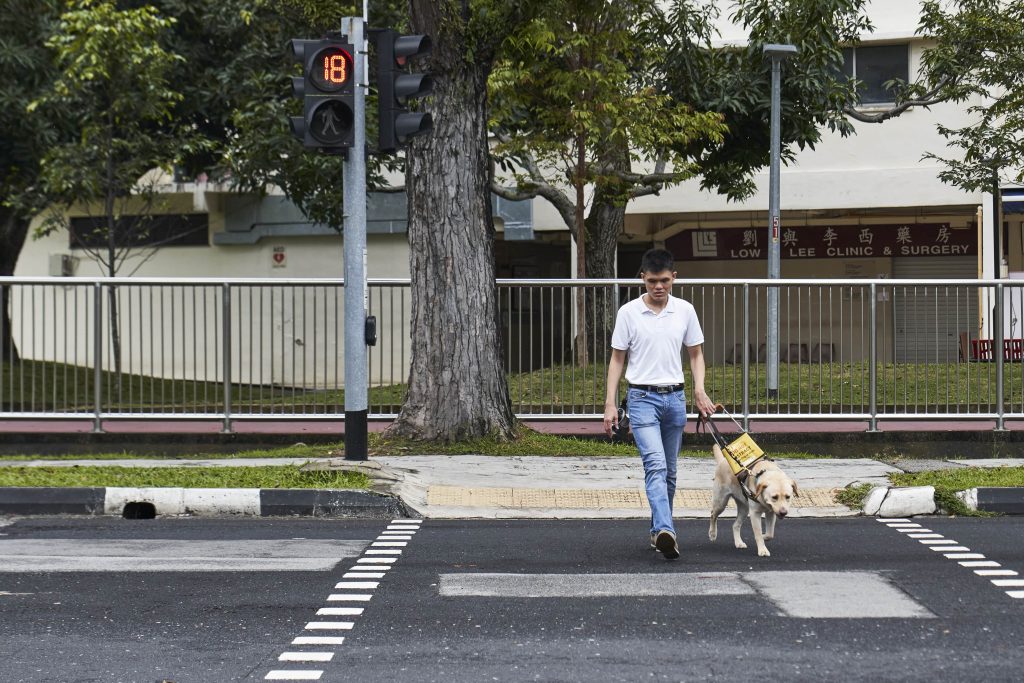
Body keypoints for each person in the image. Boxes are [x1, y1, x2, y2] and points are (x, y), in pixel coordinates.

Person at [603, 248, 716, 560]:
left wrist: (699, 390)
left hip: (675, 398)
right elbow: (617, 359)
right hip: (641, 399)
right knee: (655, 465)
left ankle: (658, 532)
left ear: (674, 278)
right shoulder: (628, 313)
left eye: (664, 280)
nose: (658, 287)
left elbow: (696, 354)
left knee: (670, 472)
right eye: (652, 281)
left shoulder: (685, 311)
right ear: (643, 278)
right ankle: (667, 529)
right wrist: (610, 404)